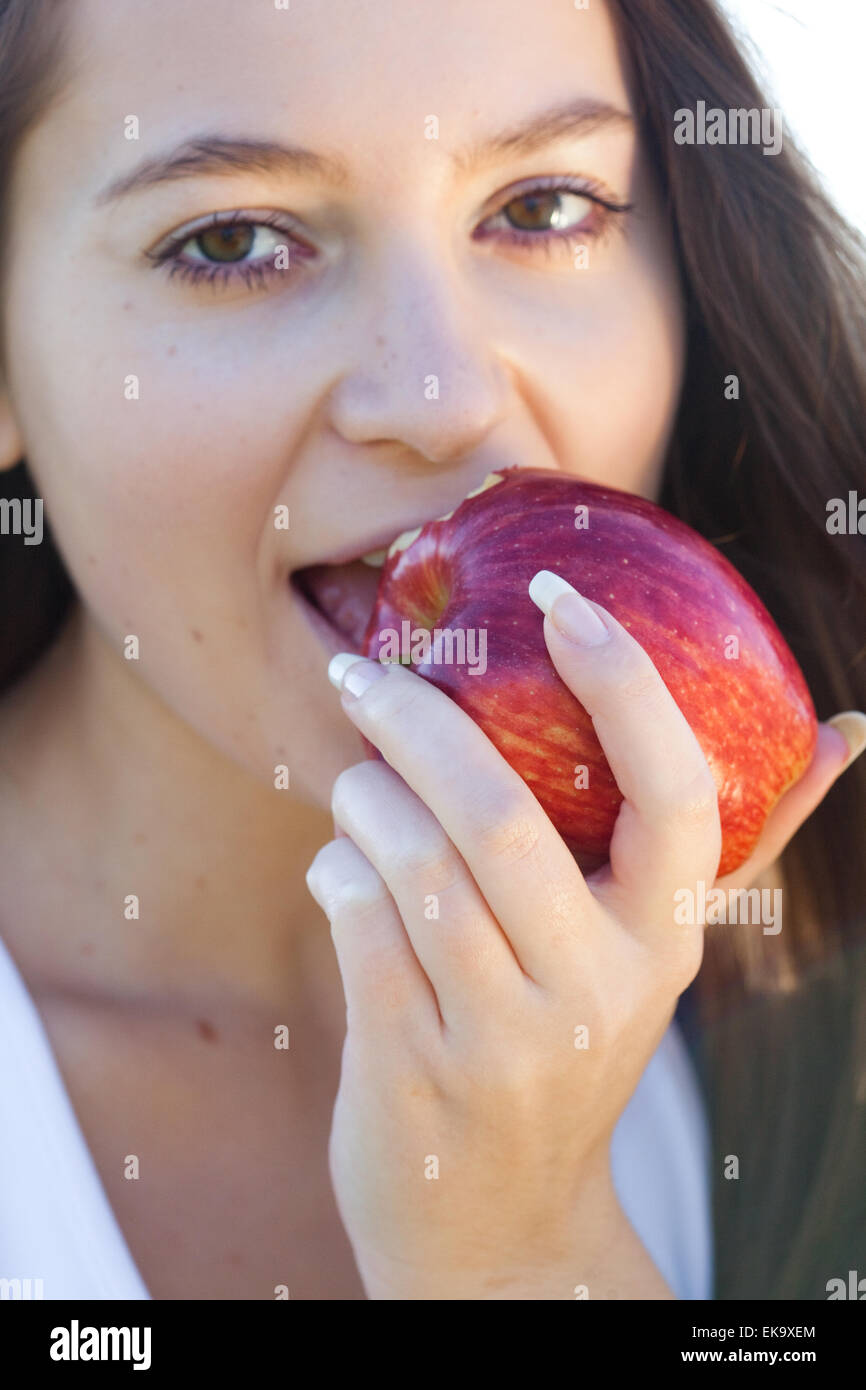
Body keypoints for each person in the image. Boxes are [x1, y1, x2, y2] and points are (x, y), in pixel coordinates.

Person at [0, 0, 864, 1300]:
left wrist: (525, 1257)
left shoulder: (820, 1038)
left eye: (541, 209)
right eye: (231, 239)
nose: (442, 395)